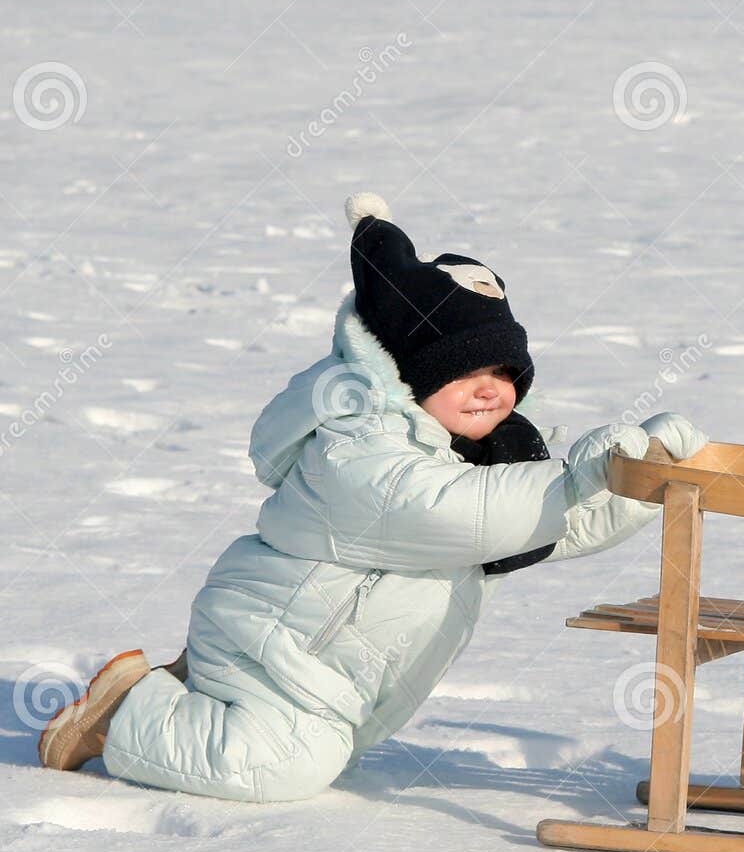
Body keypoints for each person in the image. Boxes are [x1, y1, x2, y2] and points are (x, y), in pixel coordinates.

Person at [37, 193, 704, 801]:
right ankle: (124, 718)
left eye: (505, 371)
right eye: (466, 366)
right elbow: (453, 510)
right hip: (273, 643)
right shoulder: (360, 445)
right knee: (282, 768)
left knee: (315, 750)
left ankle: (187, 693)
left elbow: (555, 521)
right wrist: (570, 478)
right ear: (414, 372)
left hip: (329, 678)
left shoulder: (482, 459)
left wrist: (648, 475)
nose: (490, 387)